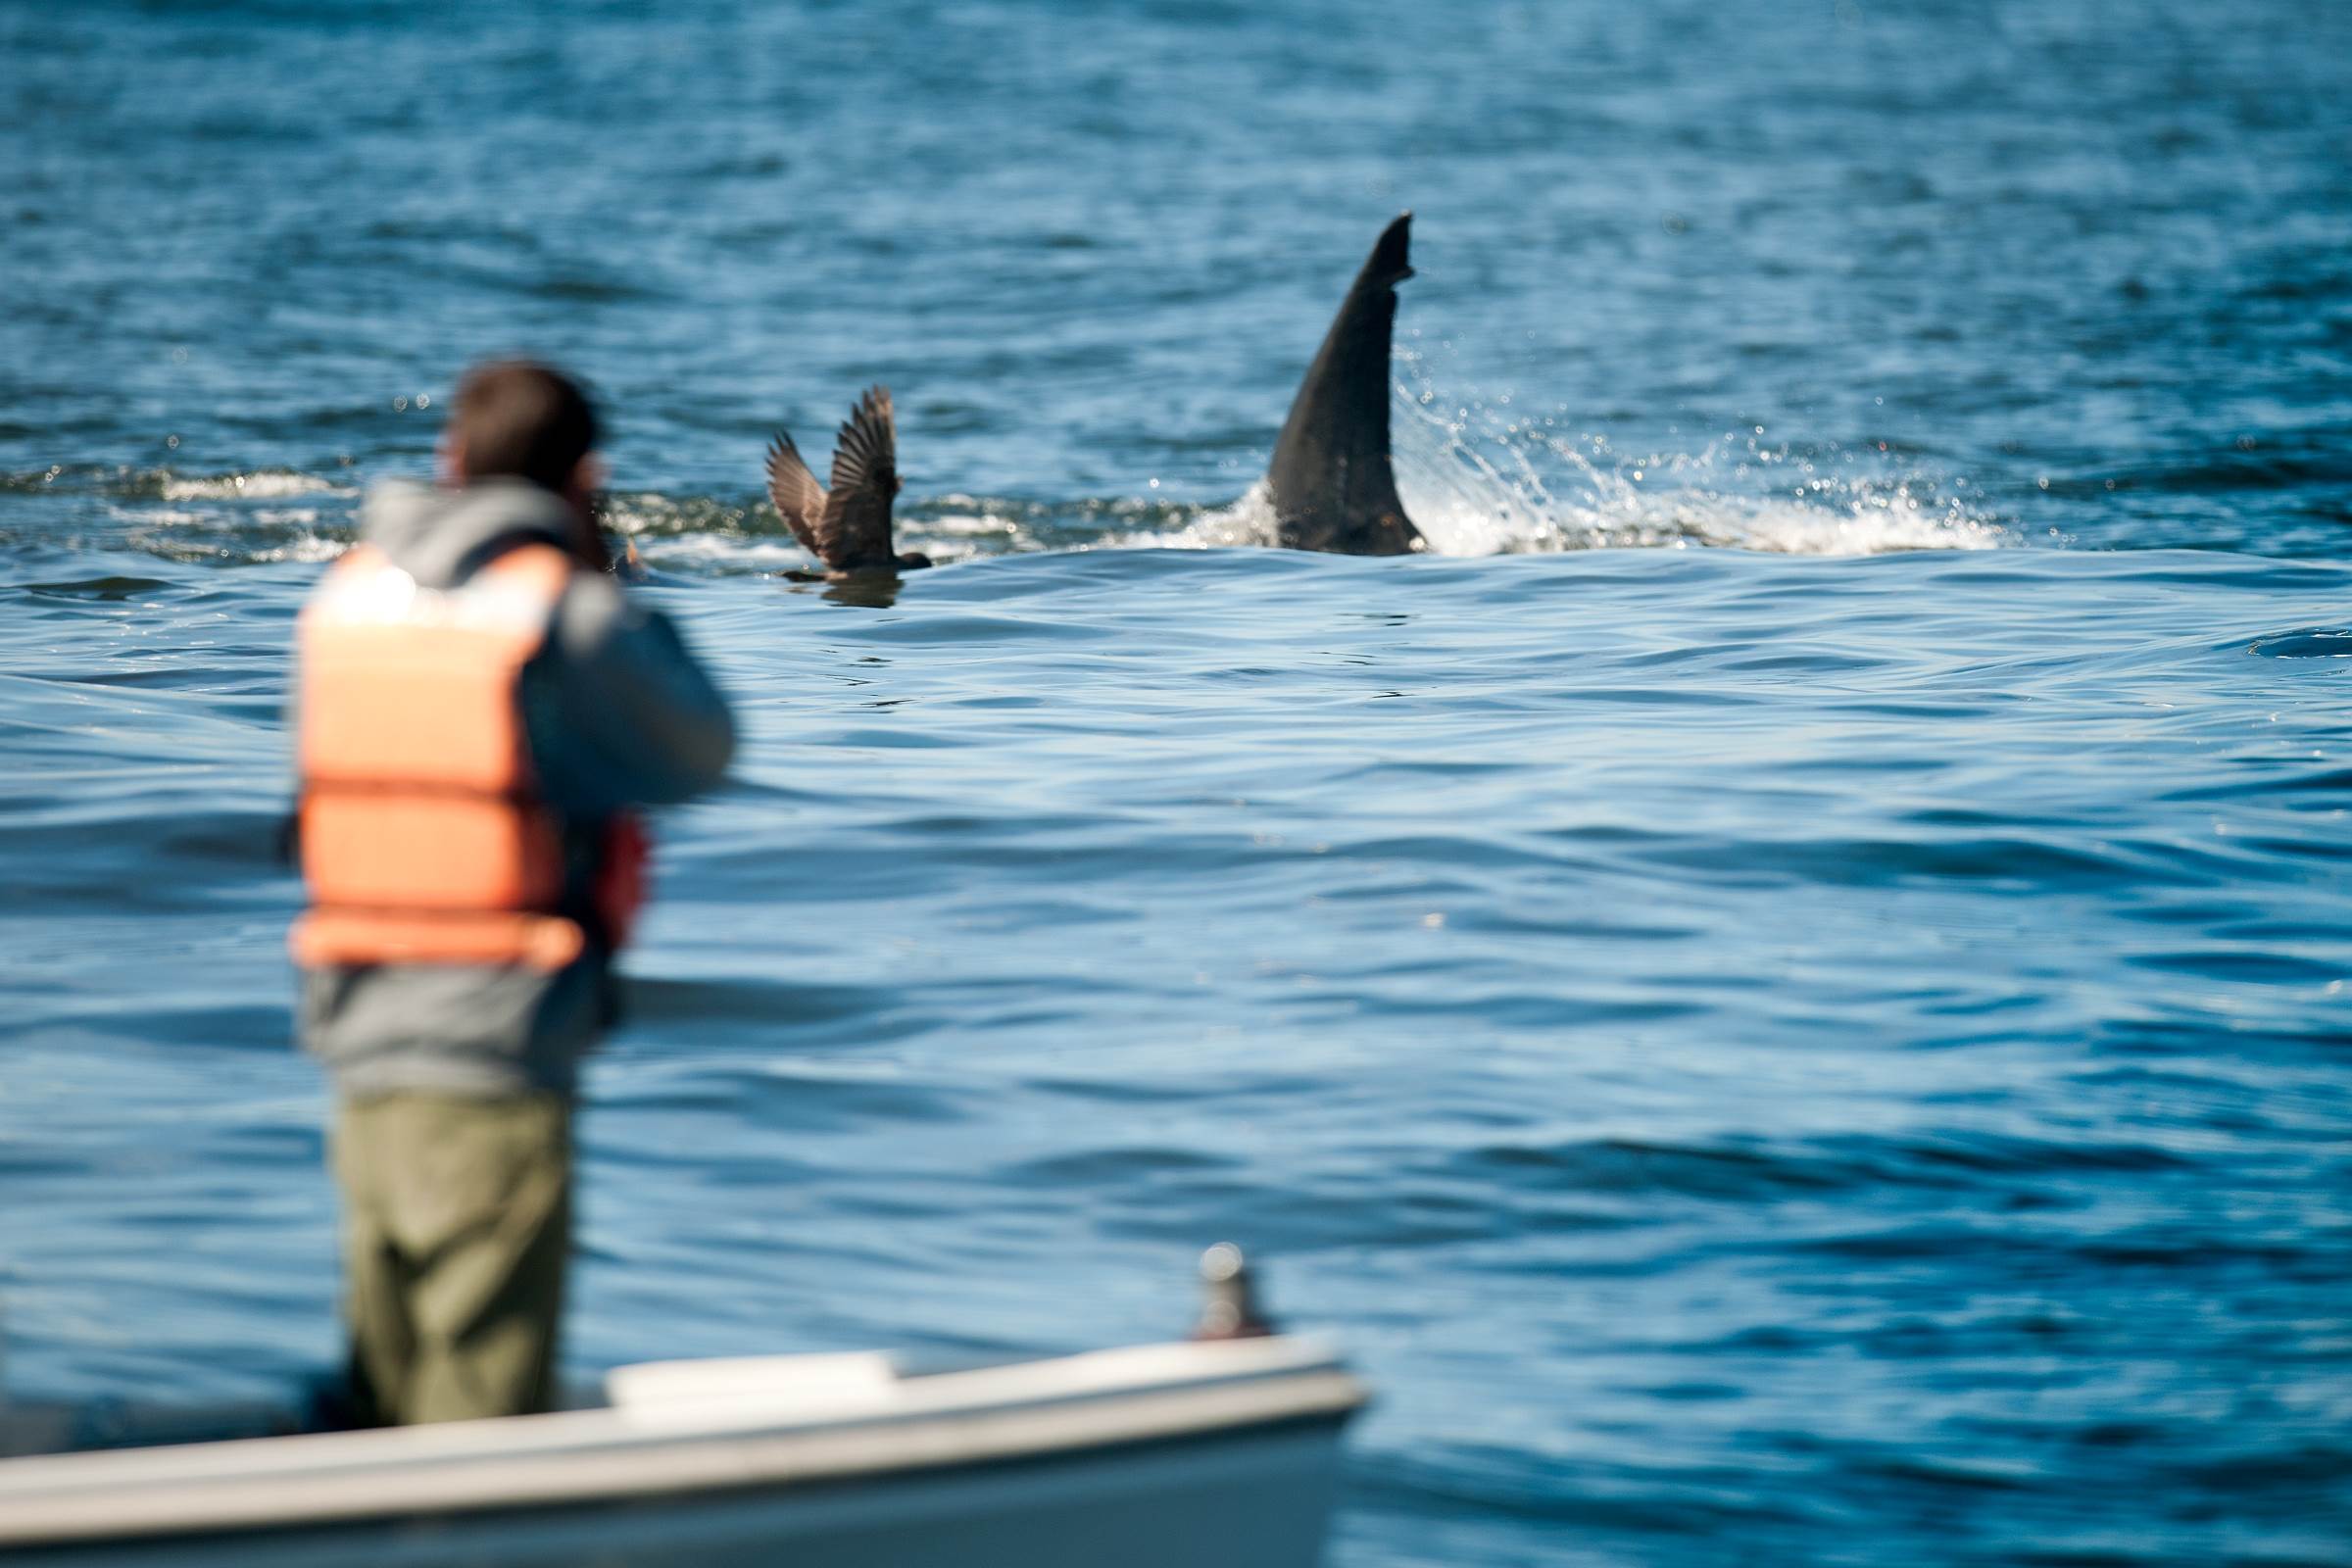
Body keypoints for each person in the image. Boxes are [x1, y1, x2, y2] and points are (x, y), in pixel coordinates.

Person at [290, 361, 734, 1426]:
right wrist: (607, 585)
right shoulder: (561, 611)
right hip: (493, 1054)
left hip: (357, 1054)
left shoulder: (347, 595)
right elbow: (703, 746)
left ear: (452, 462)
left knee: (385, 1394)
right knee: (477, 1424)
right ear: (586, 479)